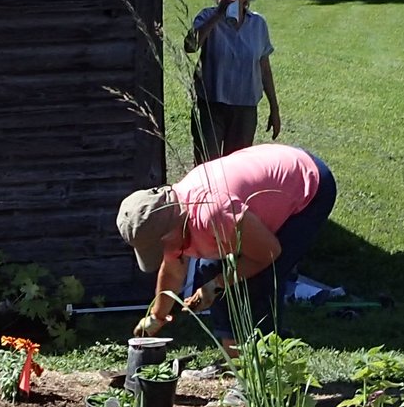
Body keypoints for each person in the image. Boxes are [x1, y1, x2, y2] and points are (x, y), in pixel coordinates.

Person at [116, 142, 339, 338]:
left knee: (260, 278)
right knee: (212, 272)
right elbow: (173, 269)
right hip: (254, 197)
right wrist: (156, 317)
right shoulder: (170, 216)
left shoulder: (213, 213)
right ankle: (232, 361)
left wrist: (216, 285)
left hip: (306, 183)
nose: (163, 251)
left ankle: (259, 366)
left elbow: (268, 253)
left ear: (169, 229)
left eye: (160, 246)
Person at [183, 0, 280, 159]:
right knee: (206, 165)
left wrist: (274, 109)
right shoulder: (206, 17)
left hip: (244, 107)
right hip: (211, 104)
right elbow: (190, 46)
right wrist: (218, 14)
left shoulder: (258, 24)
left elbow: (264, 68)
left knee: (236, 167)